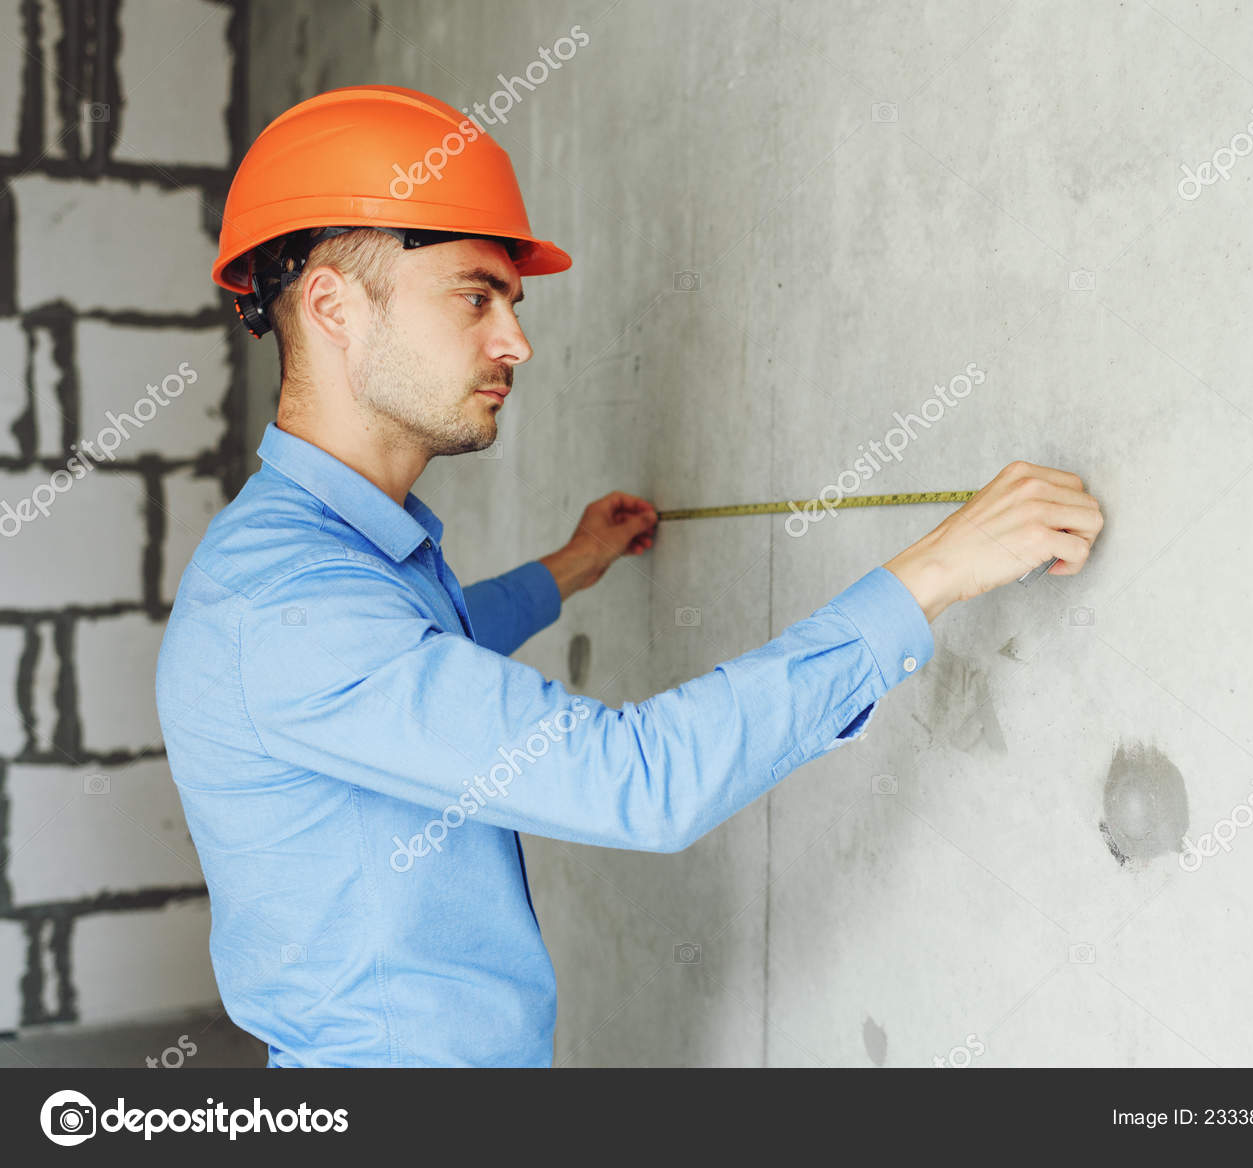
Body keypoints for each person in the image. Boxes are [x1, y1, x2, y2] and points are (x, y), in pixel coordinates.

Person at [155, 84, 1103, 1068]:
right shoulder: (294, 605)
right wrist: (934, 572)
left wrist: (571, 566)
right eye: (477, 294)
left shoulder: (314, 558)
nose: (515, 340)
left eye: (512, 305)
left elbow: (425, 651)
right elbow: (639, 783)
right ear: (331, 306)